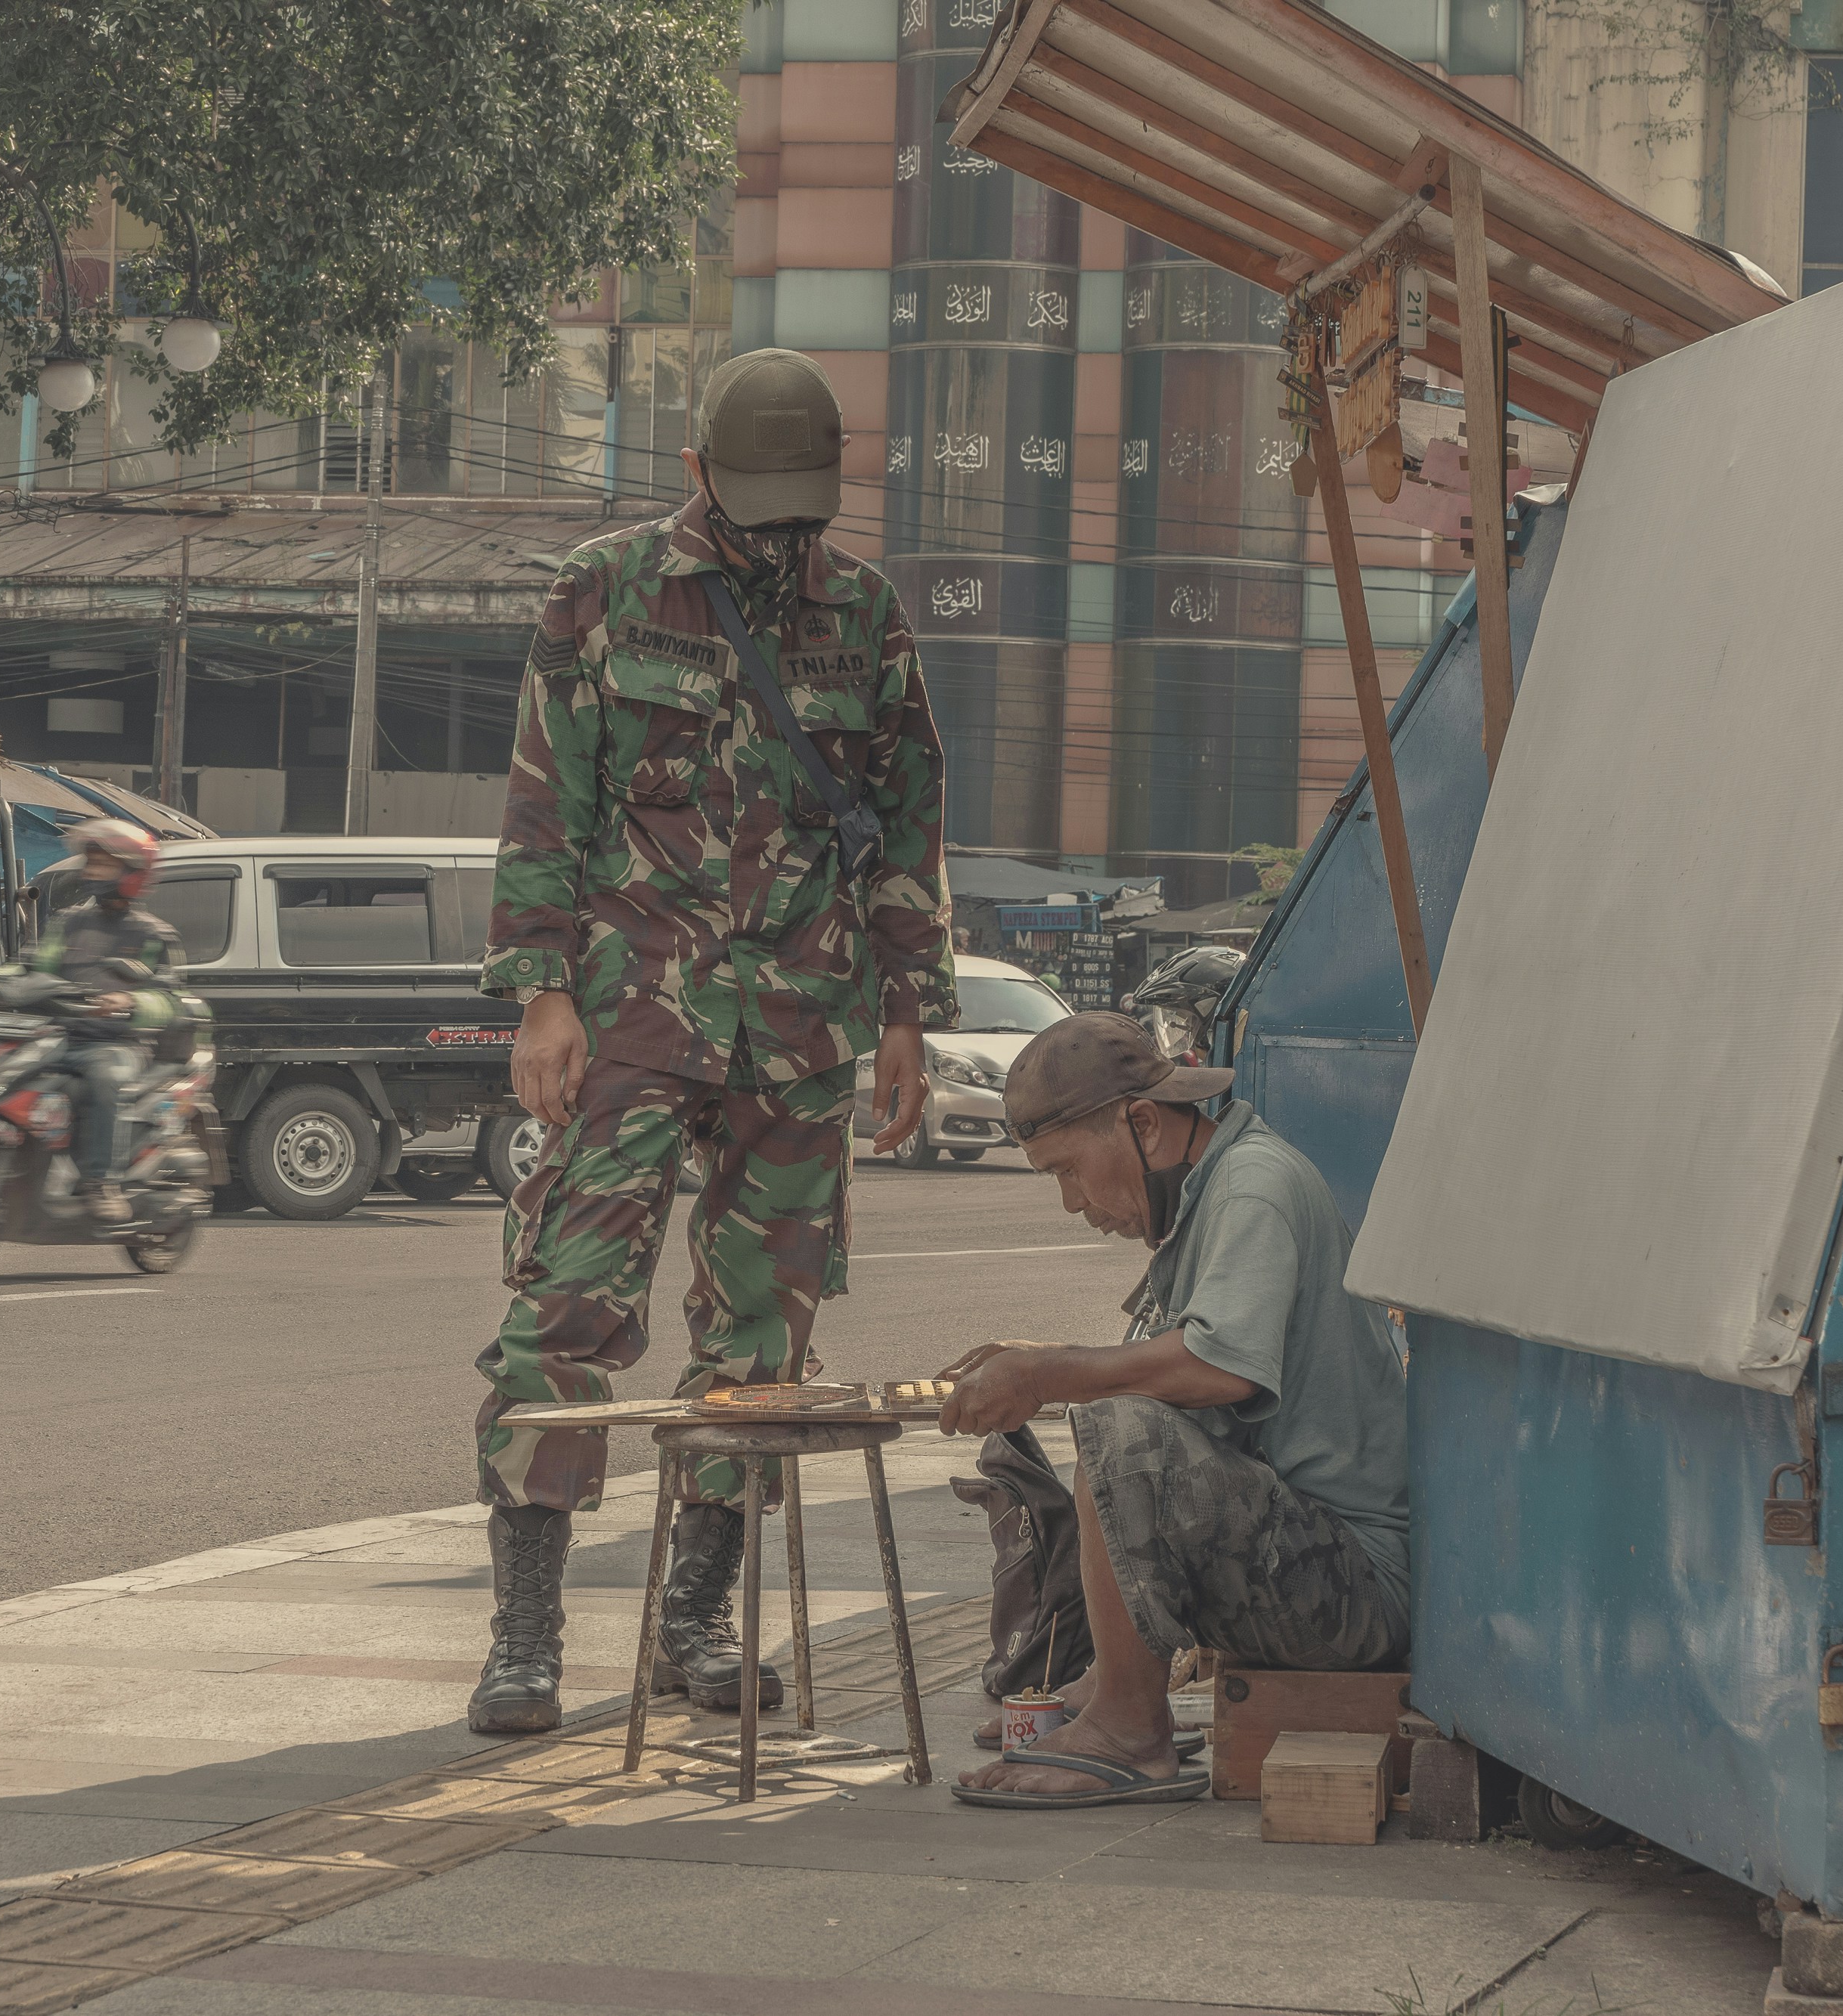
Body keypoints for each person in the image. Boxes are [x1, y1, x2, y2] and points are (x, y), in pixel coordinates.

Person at [467, 347, 957, 1736]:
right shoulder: (605, 591)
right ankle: (525, 1635)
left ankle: (693, 1619)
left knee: (759, 1346)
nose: (776, 533)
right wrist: (542, 991)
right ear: (696, 475)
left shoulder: (863, 615)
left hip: (801, 1025)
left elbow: (908, 818)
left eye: (798, 507)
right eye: (753, 503)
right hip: (632, 1008)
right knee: (563, 1311)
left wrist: (912, 1008)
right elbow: (544, 799)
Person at [936, 1013, 1410, 1809]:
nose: (1070, 1202)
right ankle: (1110, 1685)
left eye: (1067, 1170)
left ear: (1143, 1122)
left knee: (1124, 1431)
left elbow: (1214, 1367)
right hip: (1313, 1569)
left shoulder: (1252, 1184)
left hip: (1358, 1593)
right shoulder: (1212, 1192)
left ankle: (1129, 1729)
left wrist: (1048, 1372)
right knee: (1125, 1418)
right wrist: (1036, 1360)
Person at [0, 819, 182, 1224]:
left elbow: (169, 999)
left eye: (104, 865)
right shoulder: (70, 921)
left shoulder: (153, 935)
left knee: (105, 1079)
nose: (92, 872)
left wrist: (127, 1000)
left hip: (116, 1045)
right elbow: (31, 967)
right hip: (60, 1036)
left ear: (132, 872)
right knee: (8, 1074)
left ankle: (102, 1182)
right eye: (90, 863)